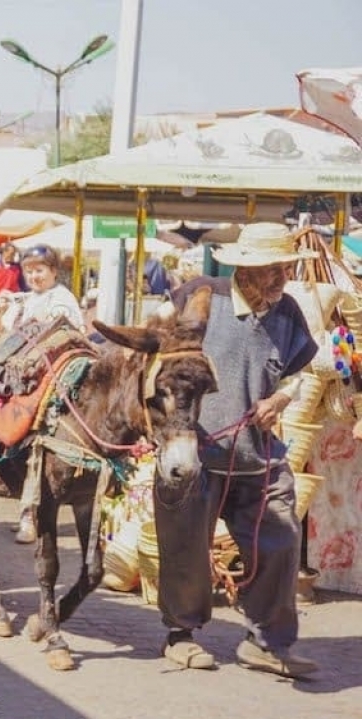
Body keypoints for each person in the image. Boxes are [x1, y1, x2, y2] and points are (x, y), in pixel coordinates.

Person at [156, 223, 318, 678]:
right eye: (273, 270)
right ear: (245, 270)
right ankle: (181, 635)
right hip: (194, 456)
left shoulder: (287, 313)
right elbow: (154, 353)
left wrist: (283, 396)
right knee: (185, 547)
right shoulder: (201, 298)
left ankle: (266, 643)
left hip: (258, 457)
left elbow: (297, 373)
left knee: (282, 542)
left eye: (285, 268)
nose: (282, 279)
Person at [0, 244, 85, 544]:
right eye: (29, 270)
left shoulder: (62, 300)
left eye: (39, 270)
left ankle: (29, 515)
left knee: (35, 440)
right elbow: (0, 336)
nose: (33, 276)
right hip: (22, 378)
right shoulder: (25, 300)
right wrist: (0, 312)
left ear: (54, 272)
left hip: (52, 381)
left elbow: (64, 338)